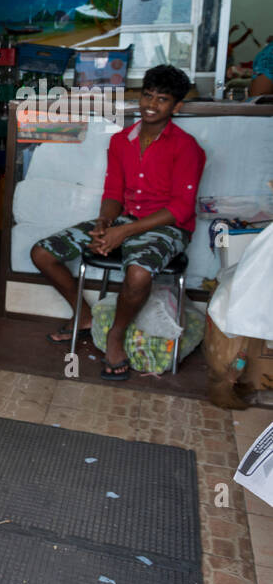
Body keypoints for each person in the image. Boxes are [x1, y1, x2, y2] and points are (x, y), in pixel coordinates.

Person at [30, 64, 204, 381]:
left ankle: (116, 335)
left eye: (162, 99)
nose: (151, 105)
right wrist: (105, 223)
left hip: (167, 226)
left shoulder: (186, 147)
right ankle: (82, 315)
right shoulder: (122, 140)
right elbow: (113, 193)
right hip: (125, 219)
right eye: (147, 95)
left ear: (176, 106)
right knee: (43, 253)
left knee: (138, 274)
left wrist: (123, 232)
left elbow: (181, 208)